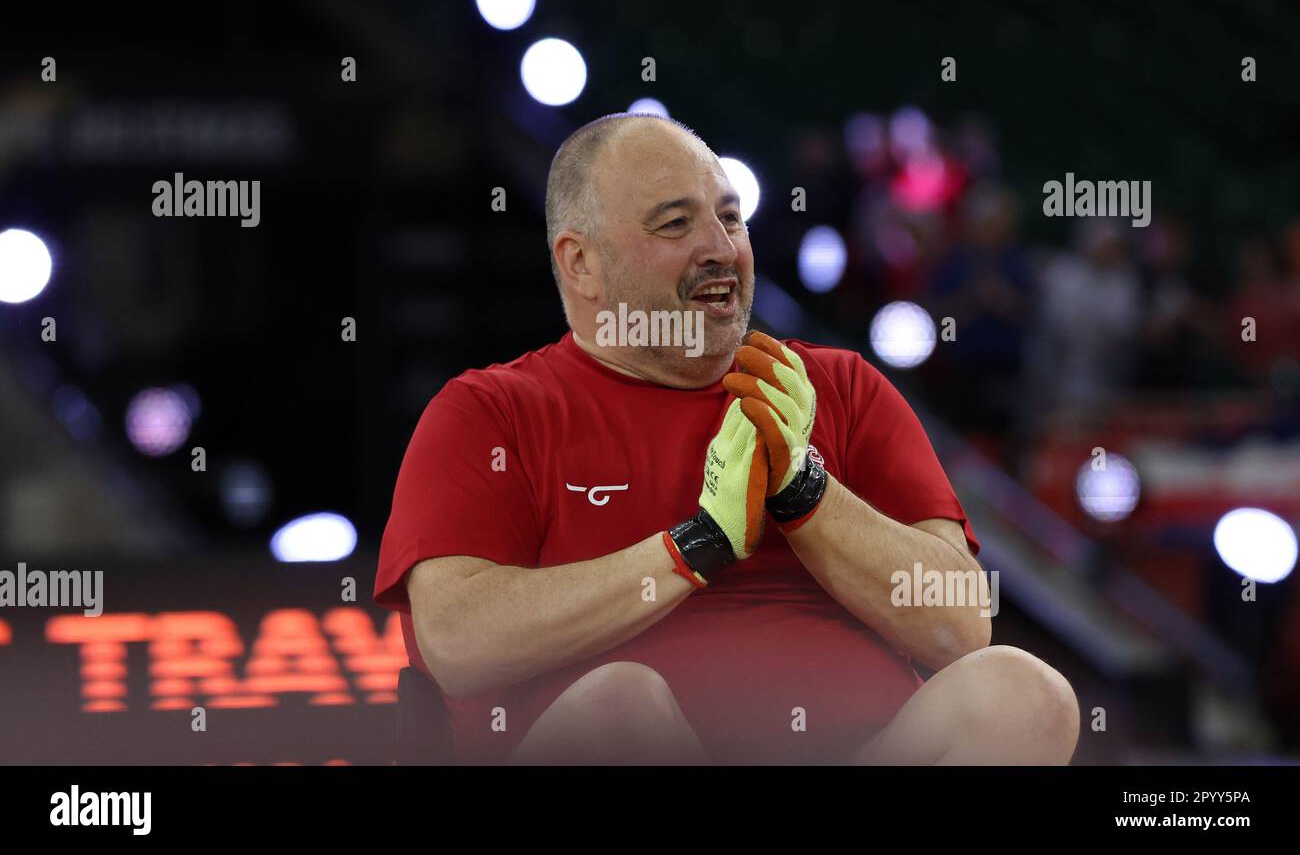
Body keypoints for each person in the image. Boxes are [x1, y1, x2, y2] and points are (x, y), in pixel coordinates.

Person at [374, 113, 1079, 765]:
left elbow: (960, 625)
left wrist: (804, 490)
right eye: (674, 225)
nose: (719, 248)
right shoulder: (491, 412)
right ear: (580, 262)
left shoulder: (841, 386)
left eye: (730, 217)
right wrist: (694, 547)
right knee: (620, 705)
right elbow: (458, 642)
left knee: (1022, 692)